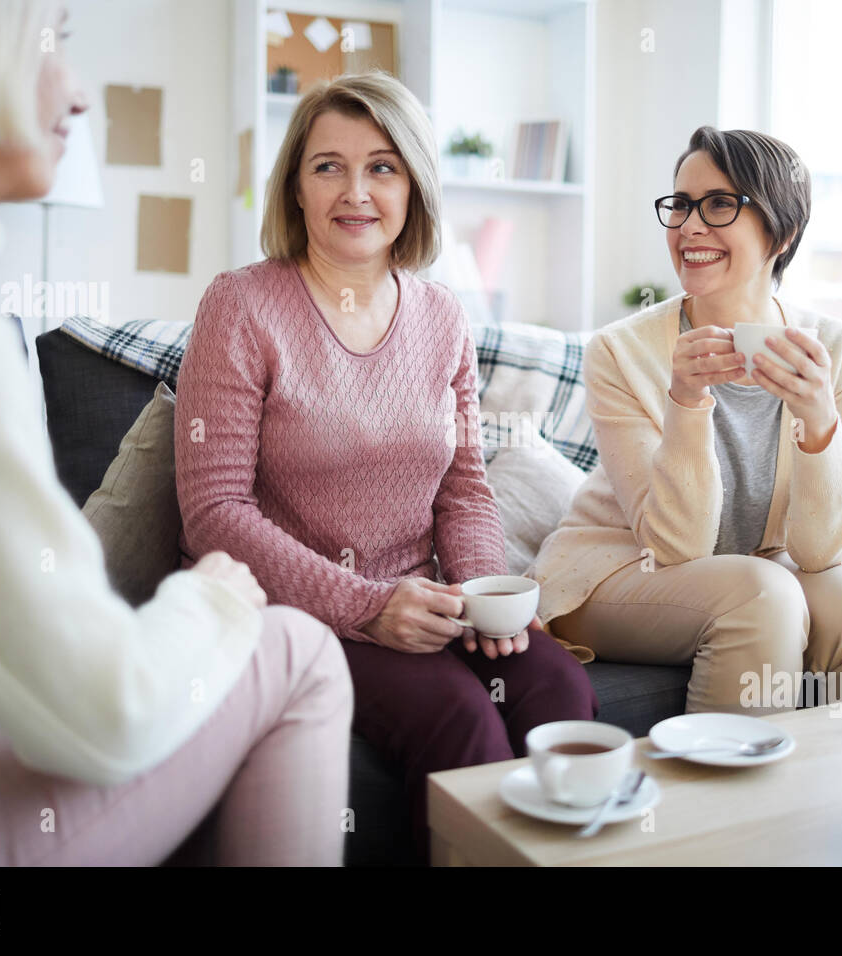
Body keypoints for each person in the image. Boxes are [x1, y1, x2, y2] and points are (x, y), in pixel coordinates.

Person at [0, 0, 352, 866]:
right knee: (300, 650)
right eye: (58, 41)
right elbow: (105, 710)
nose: (79, 96)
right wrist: (218, 596)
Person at [173, 71, 598, 862]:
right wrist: (369, 606)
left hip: (425, 599)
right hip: (291, 613)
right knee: (459, 719)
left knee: (560, 689)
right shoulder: (240, 307)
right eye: (327, 165)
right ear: (295, 187)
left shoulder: (443, 317)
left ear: (414, 186)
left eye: (382, 166)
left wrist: (481, 596)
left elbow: (464, 484)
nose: (356, 191)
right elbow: (215, 515)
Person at [528, 127, 842, 714]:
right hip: (619, 571)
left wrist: (817, 421)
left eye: (719, 204)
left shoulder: (838, 352)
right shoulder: (620, 351)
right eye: (680, 205)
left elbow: (824, 552)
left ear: (781, 232)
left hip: (760, 566)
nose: (688, 226)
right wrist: (685, 401)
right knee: (762, 596)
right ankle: (728, 807)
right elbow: (676, 546)